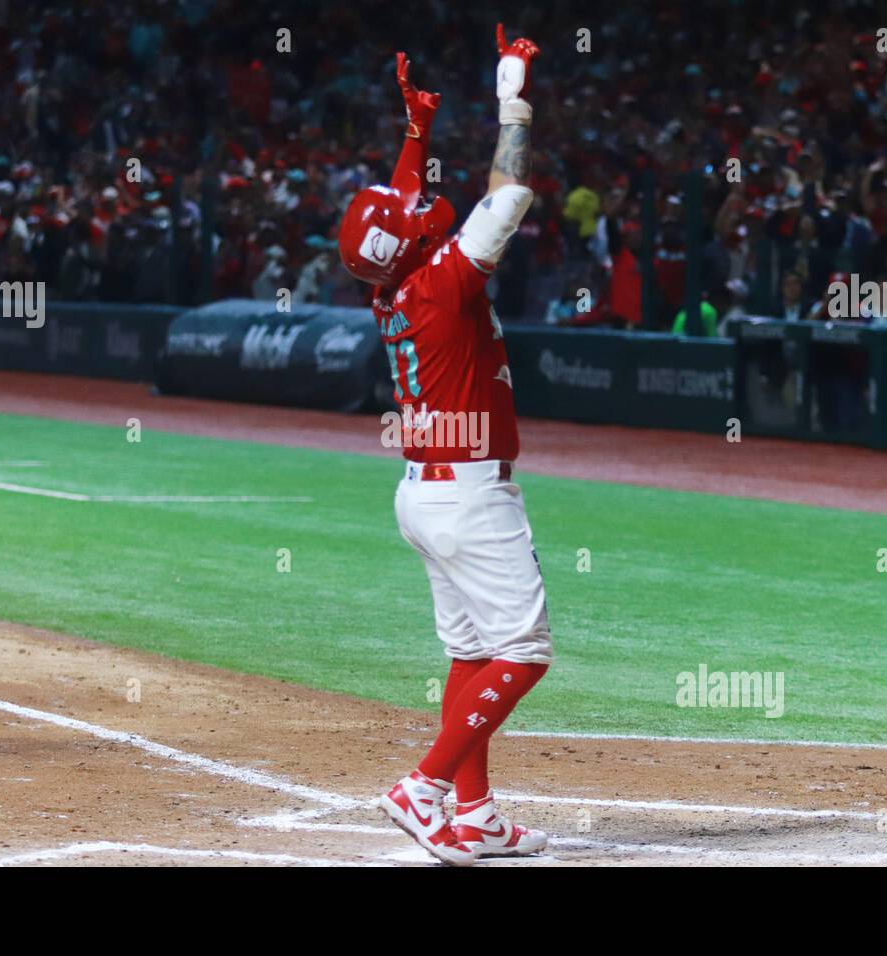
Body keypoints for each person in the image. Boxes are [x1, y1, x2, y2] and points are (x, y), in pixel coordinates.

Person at [336, 27, 551, 867]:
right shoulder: (447, 279)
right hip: (468, 494)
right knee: (524, 652)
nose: (427, 203)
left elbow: (394, 220)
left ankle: (478, 816)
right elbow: (511, 189)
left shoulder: (393, 284)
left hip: (426, 493)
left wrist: (416, 132)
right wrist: (513, 92)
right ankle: (422, 787)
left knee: (470, 652)